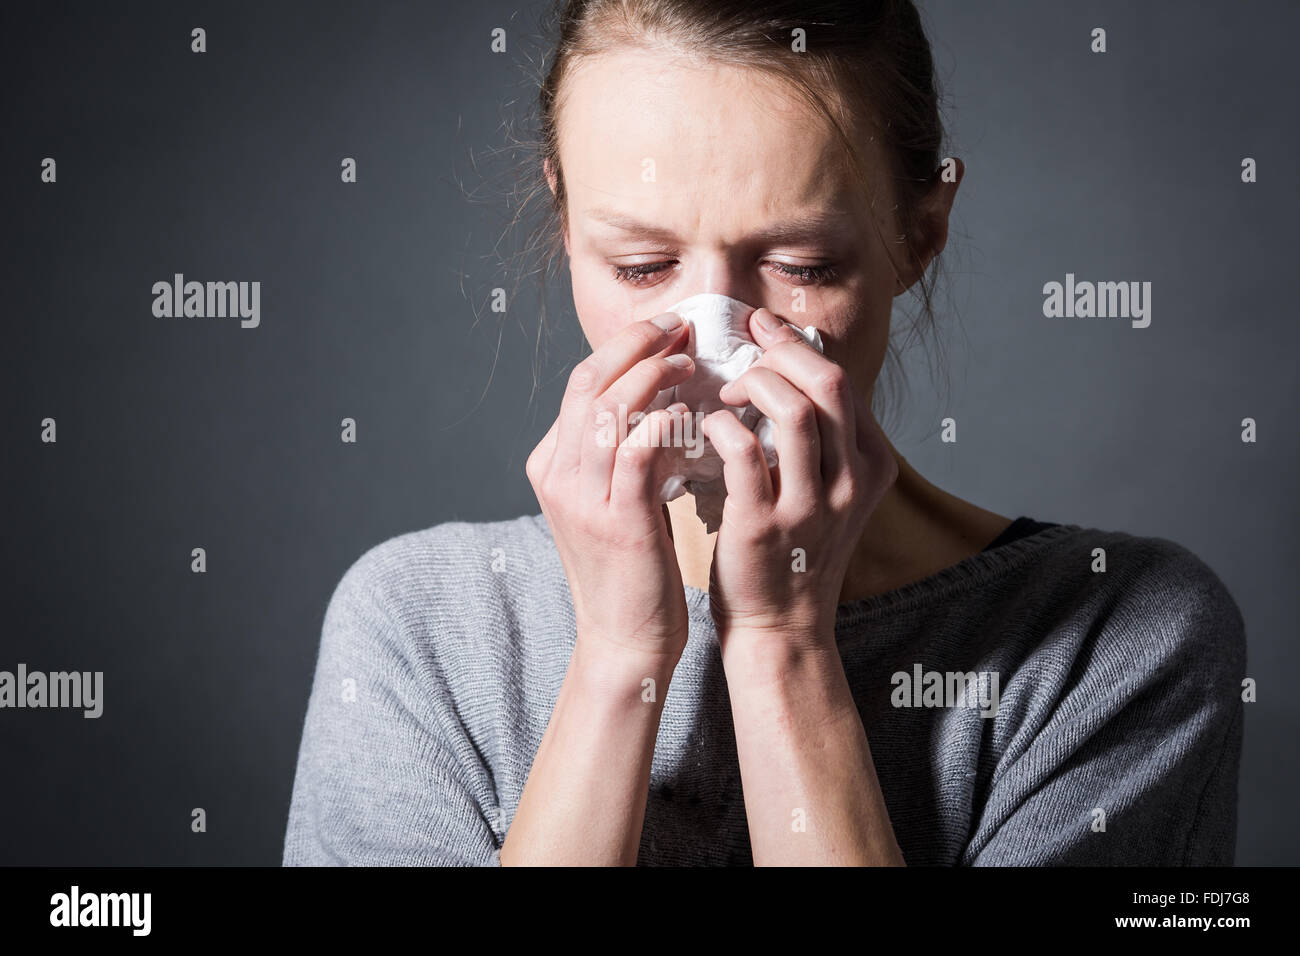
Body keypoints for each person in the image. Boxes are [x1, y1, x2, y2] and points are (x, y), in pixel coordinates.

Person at [283, 0, 1246, 866]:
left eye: (800, 263)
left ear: (921, 232)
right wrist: (619, 662)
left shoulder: (1116, 636)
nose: (716, 343)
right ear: (567, 227)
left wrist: (784, 645)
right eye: (643, 265)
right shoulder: (419, 628)